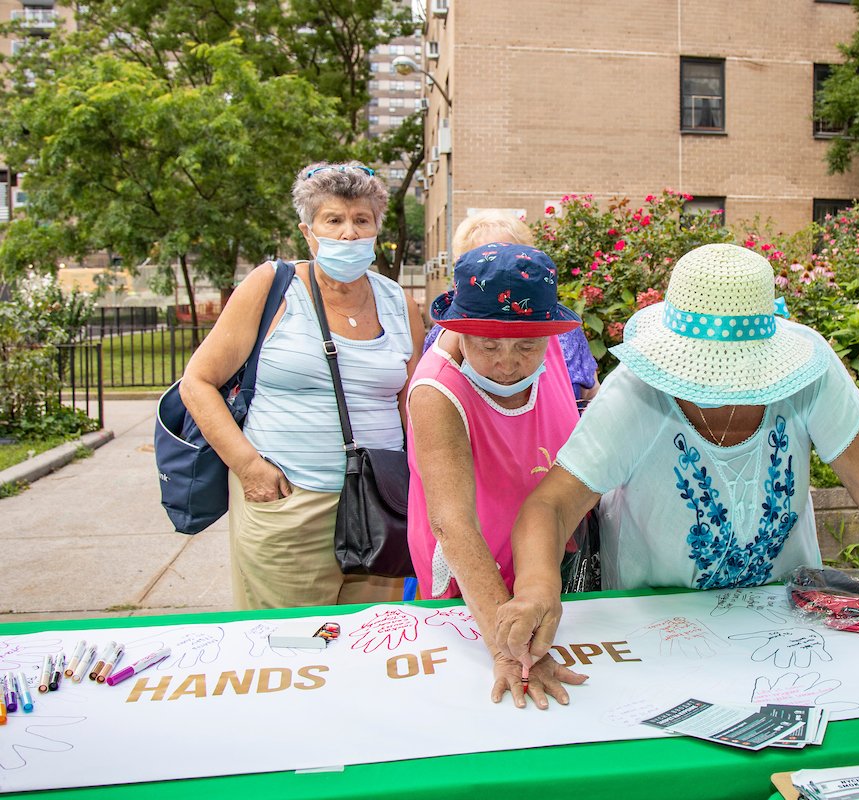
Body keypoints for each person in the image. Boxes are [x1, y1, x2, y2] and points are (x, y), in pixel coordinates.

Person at [494, 243, 859, 696]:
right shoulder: (635, 392)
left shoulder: (810, 372)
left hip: (789, 622)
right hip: (656, 625)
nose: (718, 385)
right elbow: (552, 505)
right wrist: (537, 590)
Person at [180, 161, 424, 610]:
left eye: (361, 220)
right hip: (290, 502)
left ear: (376, 231)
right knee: (290, 650)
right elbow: (197, 382)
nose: (348, 233)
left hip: (382, 506)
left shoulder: (399, 303)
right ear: (308, 232)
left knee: (373, 644)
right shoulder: (273, 286)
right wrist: (250, 469)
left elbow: (413, 406)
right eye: (333, 220)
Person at [406, 241, 588, 708]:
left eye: (527, 346)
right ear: (460, 332)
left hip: (544, 561)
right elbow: (453, 524)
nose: (508, 363)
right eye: (488, 346)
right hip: (473, 579)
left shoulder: (550, 359)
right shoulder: (436, 392)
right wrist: (510, 650)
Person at [422, 209, 600, 404]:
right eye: (487, 262)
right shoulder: (444, 339)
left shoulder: (562, 329)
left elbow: (590, 392)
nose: (502, 273)